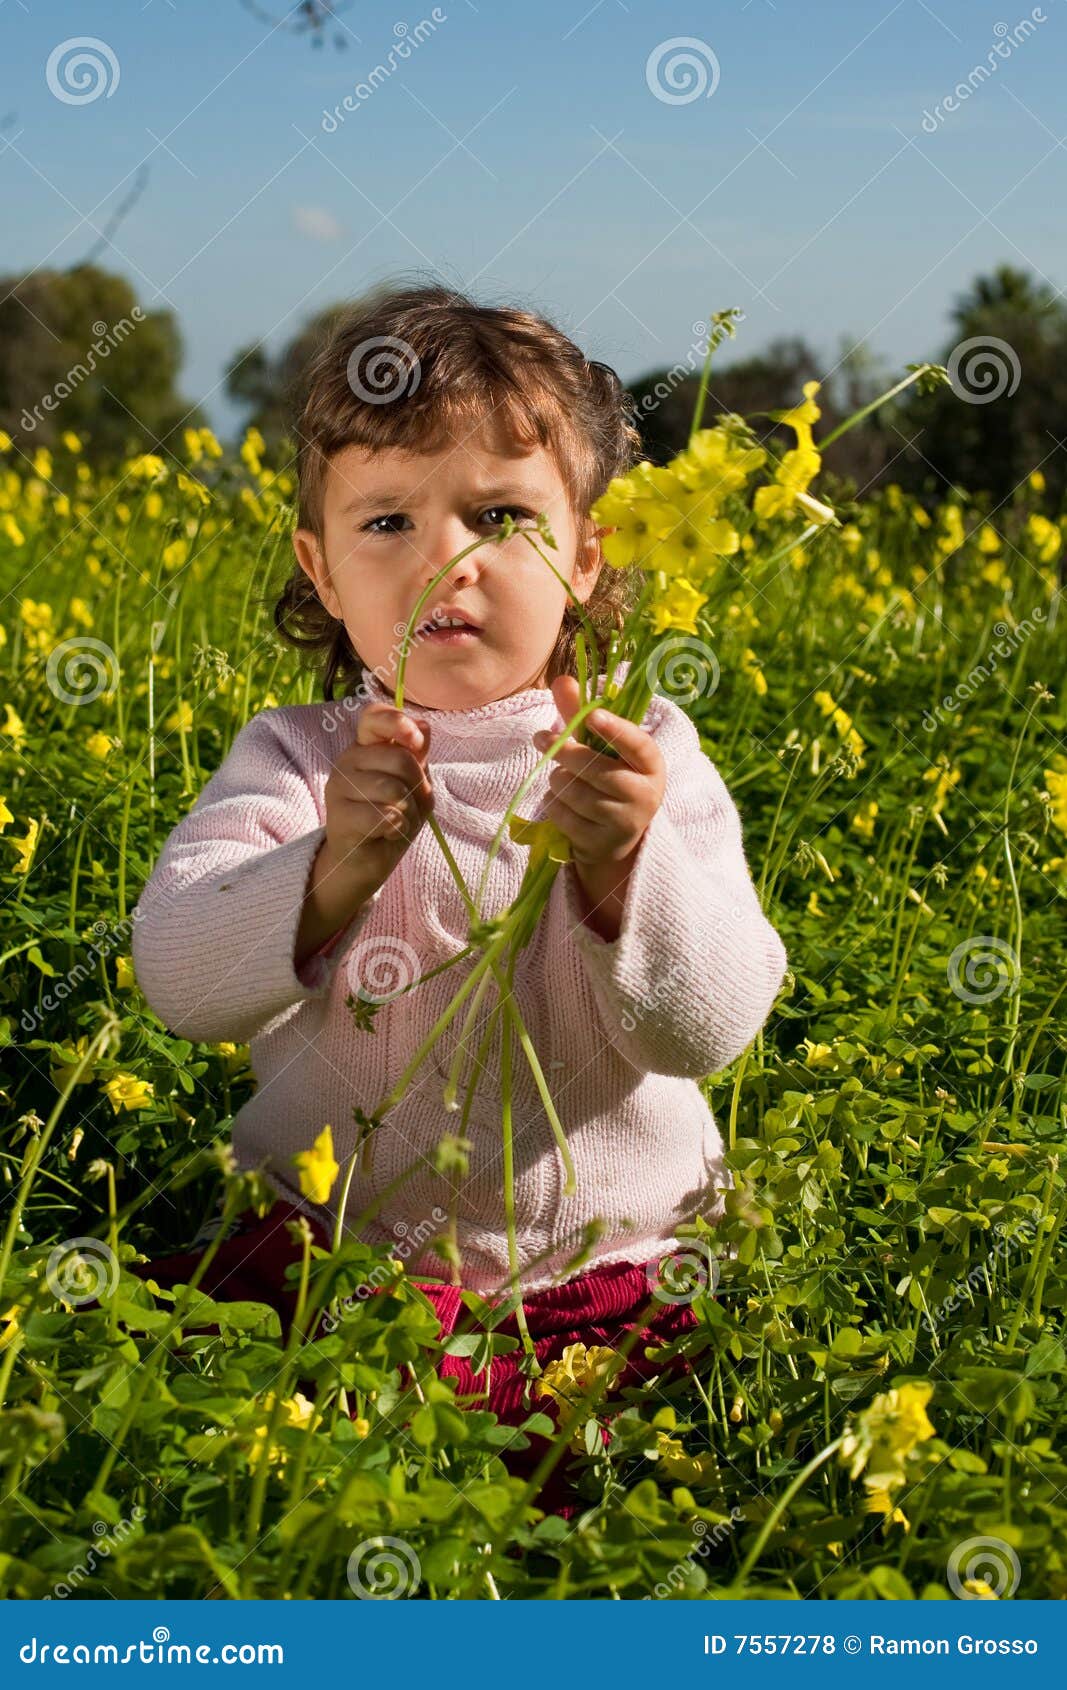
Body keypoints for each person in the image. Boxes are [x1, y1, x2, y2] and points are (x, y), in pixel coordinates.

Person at [130, 280, 789, 1517]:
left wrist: (620, 868)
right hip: (342, 1272)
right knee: (222, 1436)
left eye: (500, 514)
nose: (447, 557)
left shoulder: (639, 754)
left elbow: (708, 1026)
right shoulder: (297, 760)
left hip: (607, 1288)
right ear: (320, 573)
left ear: (588, 559)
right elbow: (176, 976)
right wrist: (327, 871)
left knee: (606, 1504)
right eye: (388, 520)